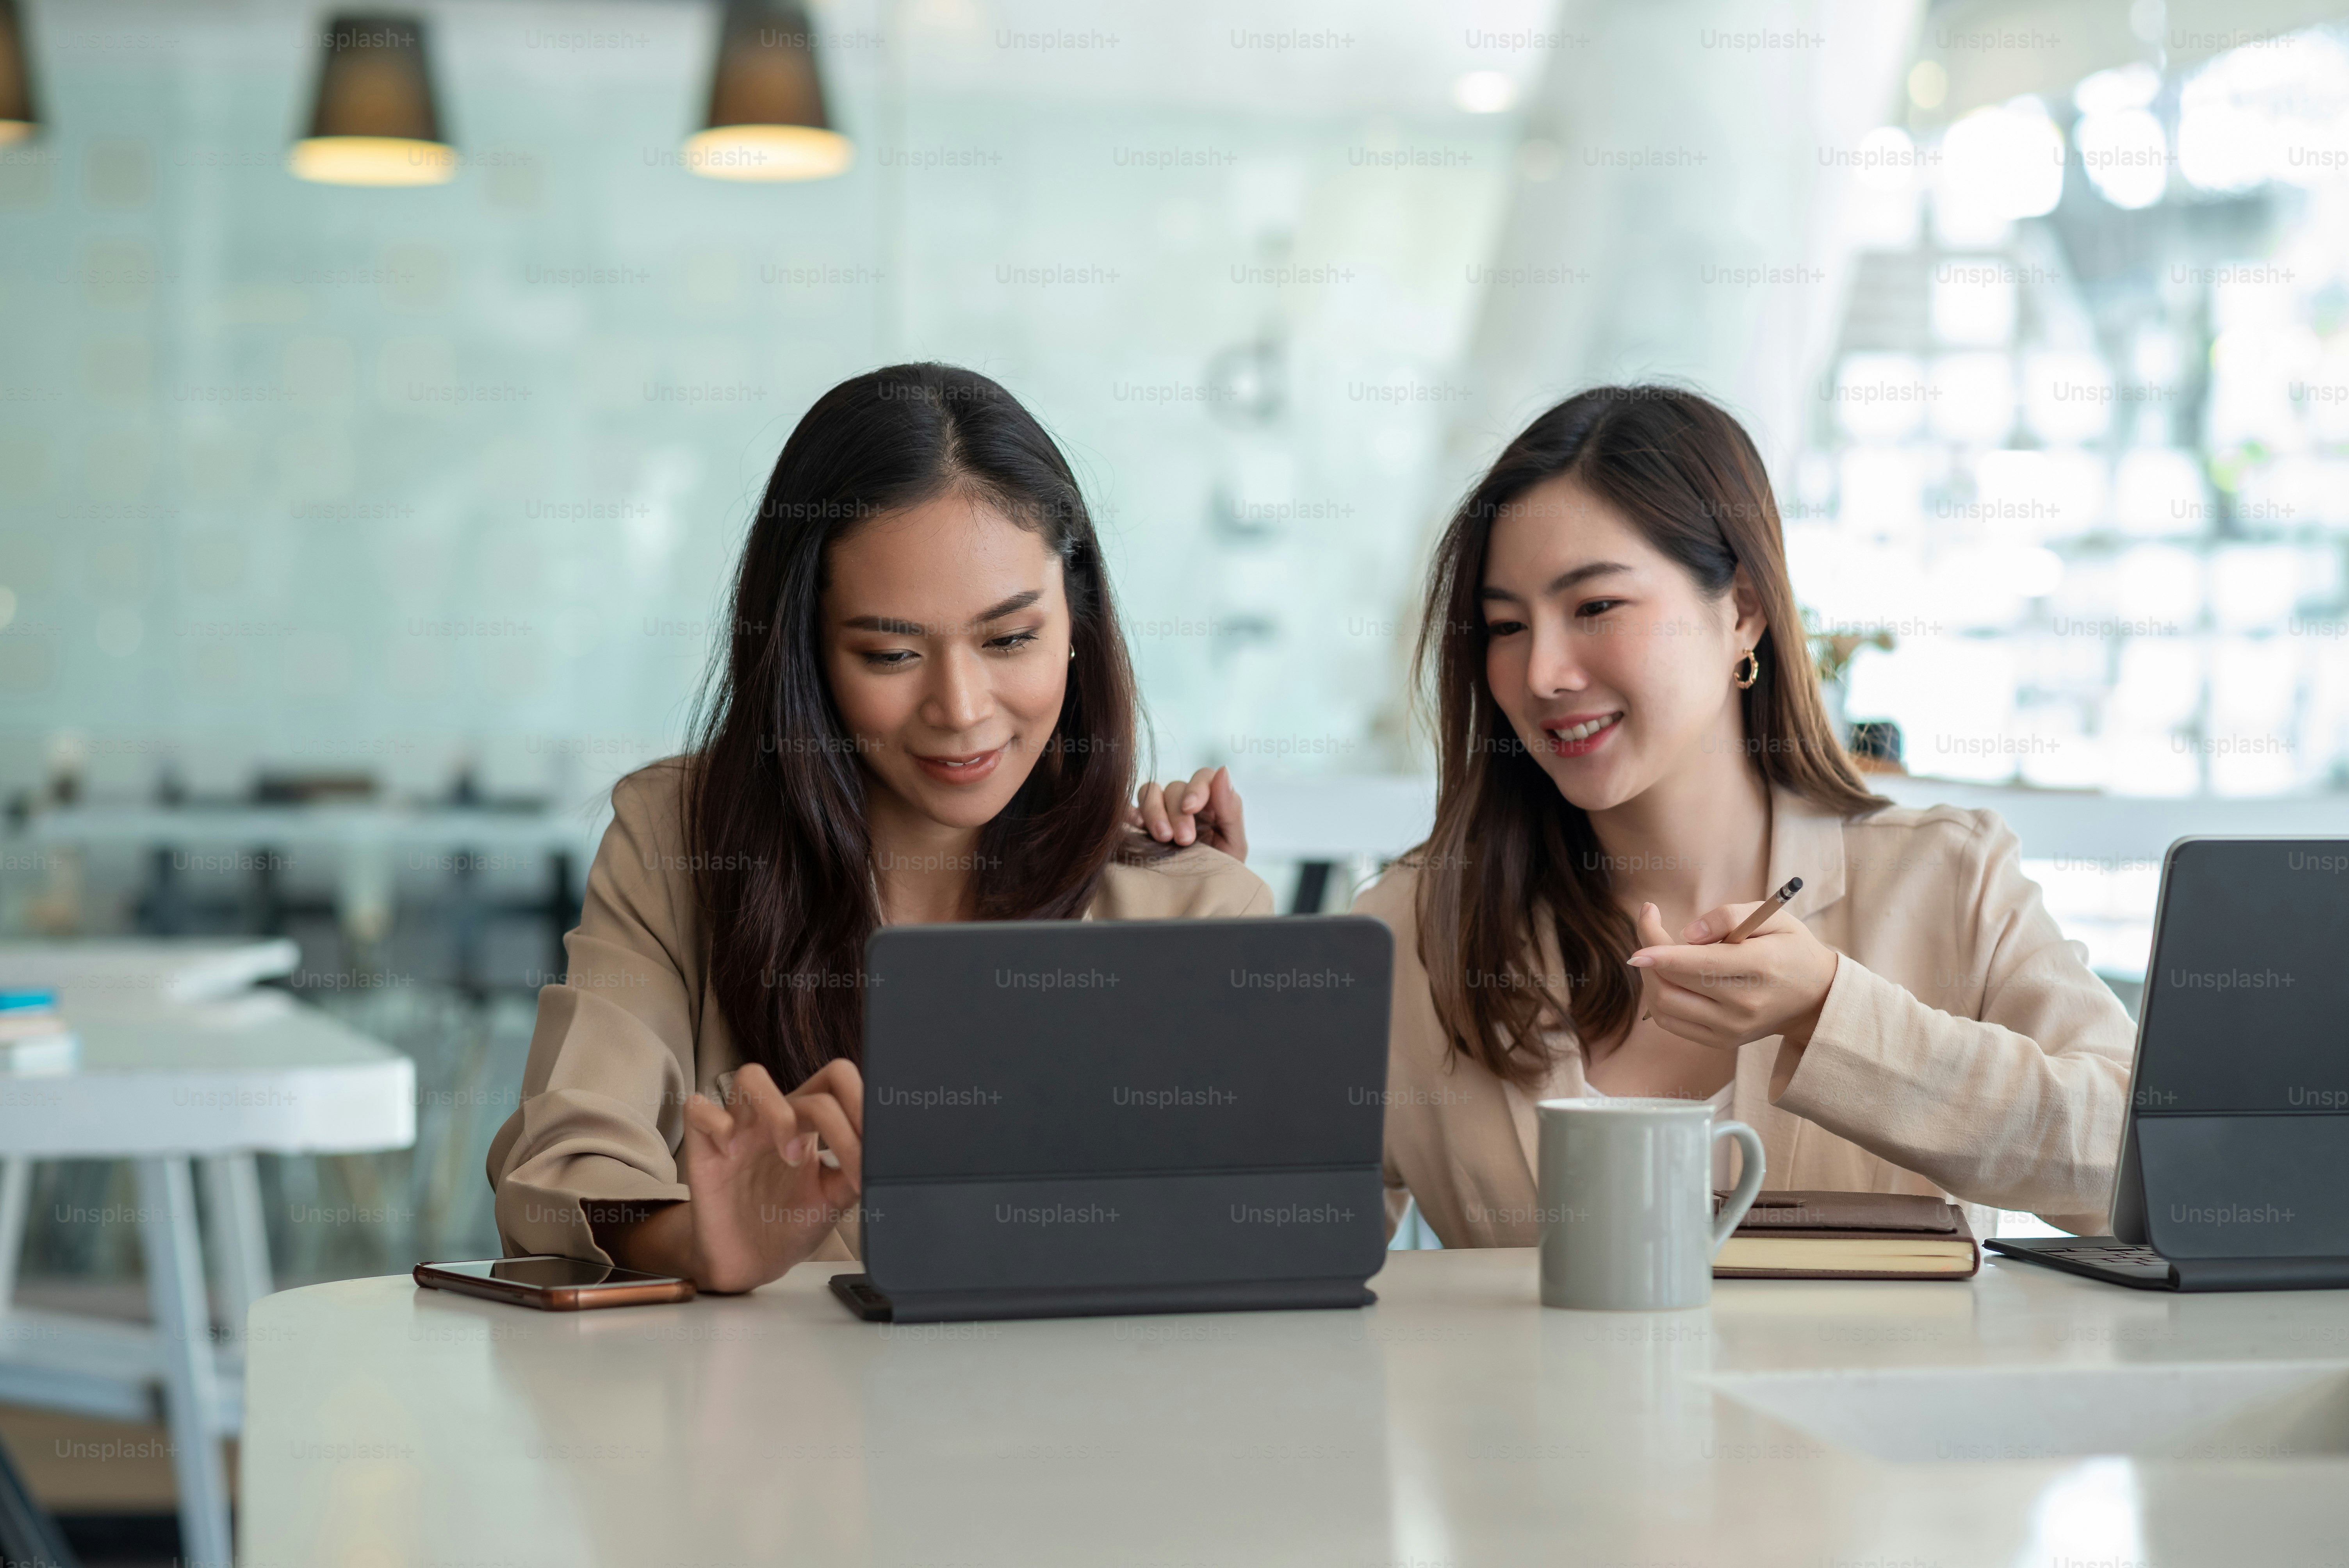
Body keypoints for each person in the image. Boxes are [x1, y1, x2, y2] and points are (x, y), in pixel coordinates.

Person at [487, 363, 1265, 1292]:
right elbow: (566, 1162)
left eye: (1009, 639)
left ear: (1076, 617)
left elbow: (1263, 1259)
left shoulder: (1193, 908)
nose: (960, 708)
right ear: (804, 651)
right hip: (753, 1432)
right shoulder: (679, 842)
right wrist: (698, 1242)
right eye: (890, 653)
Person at [1353, 385, 2132, 1245]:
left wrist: (1829, 1015)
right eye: (1503, 626)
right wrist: (1206, 912)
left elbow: (2130, 1169)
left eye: (1595, 607)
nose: (1540, 672)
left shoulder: (1945, 880)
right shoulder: (1411, 933)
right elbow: (1282, 1257)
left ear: (1743, 611)